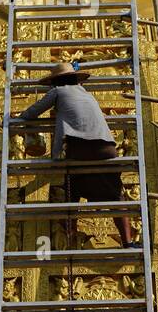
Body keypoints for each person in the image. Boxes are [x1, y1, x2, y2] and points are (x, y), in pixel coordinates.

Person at [20, 61, 136, 248]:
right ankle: (128, 241)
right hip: (107, 149)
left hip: (80, 149)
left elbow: (31, 112)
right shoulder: (88, 95)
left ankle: (70, 239)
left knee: (72, 193)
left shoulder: (58, 92)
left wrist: (15, 119)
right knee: (117, 196)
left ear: (56, 82)